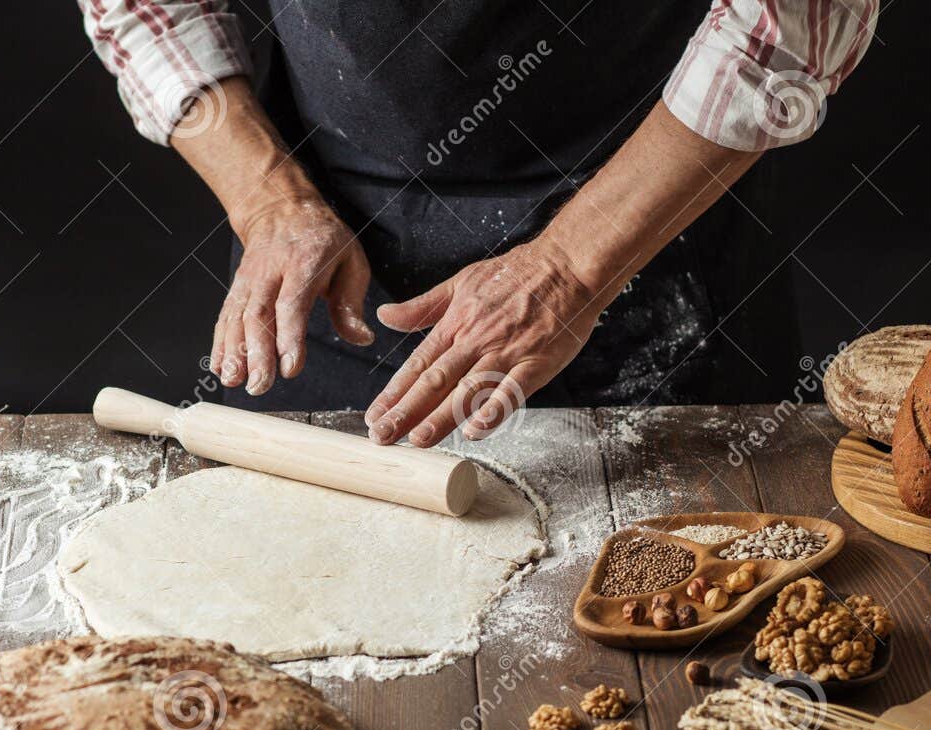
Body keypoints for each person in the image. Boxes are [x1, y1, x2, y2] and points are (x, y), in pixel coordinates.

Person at [78, 2, 878, 445]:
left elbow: (791, 22)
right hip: (328, 261)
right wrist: (269, 200)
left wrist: (569, 267)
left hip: (655, 249)